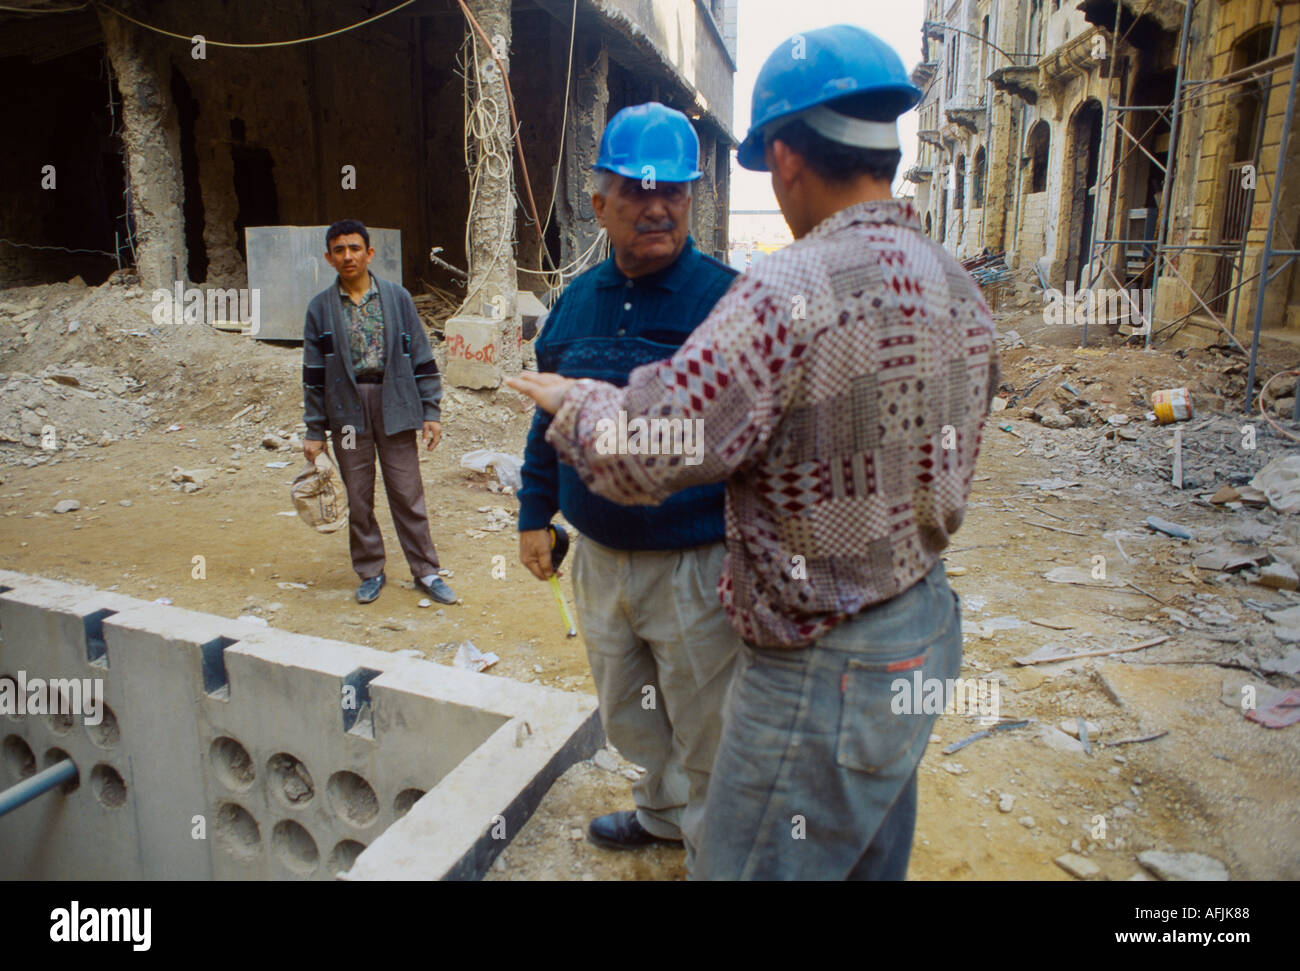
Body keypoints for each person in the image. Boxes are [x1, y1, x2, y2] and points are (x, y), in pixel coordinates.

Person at [508, 26, 1000, 880]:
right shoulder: (953, 281)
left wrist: (575, 405)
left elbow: (649, 447)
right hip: (917, 624)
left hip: (820, 658)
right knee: (861, 857)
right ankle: (665, 814)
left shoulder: (783, 289)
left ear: (785, 157)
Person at [517, 103, 742, 868]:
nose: (657, 207)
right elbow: (548, 419)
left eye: (674, 192)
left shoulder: (727, 300)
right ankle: (663, 815)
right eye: (638, 191)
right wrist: (533, 514)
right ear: (599, 202)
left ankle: (714, 856)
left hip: (695, 561)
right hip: (599, 558)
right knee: (630, 714)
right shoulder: (575, 303)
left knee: (709, 721)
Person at [302, 219, 456, 606]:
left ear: (369, 254)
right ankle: (370, 570)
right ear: (329, 258)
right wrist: (314, 430)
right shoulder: (320, 308)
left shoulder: (397, 298)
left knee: (407, 492)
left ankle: (426, 571)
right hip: (347, 412)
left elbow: (421, 355)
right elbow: (313, 374)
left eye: (355, 248)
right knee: (358, 495)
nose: (348, 256)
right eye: (339, 250)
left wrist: (431, 410)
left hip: (396, 404)